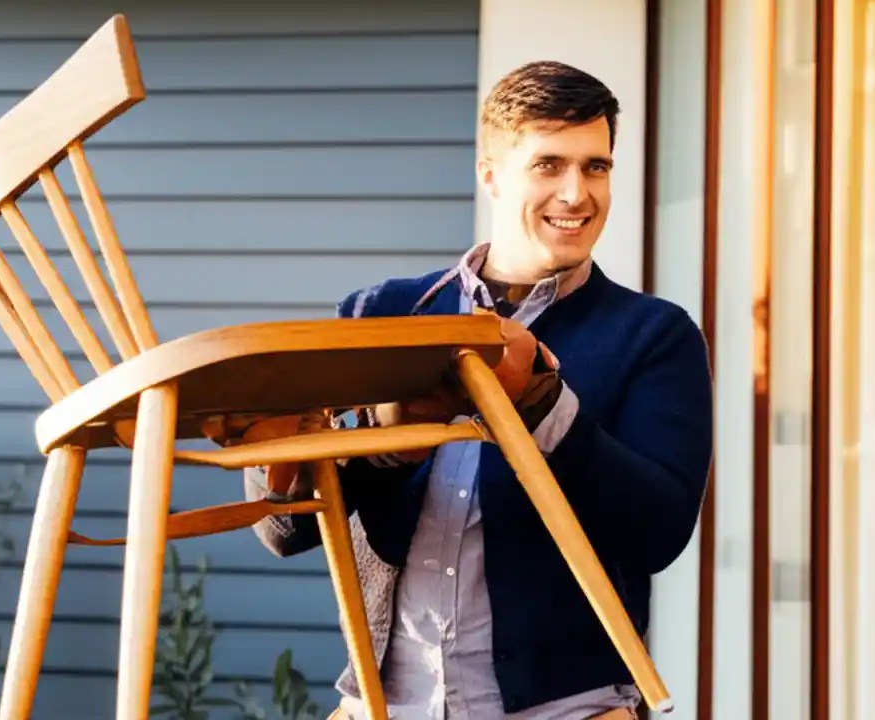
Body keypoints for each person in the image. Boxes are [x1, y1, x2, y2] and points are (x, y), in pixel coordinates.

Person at [219, 60, 713, 719]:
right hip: (381, 705)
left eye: (596, 166)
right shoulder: (380, 315)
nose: (577, 193)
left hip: (570, 709)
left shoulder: (653, 335)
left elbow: (659, 534)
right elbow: (283, 531)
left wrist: (542, 406)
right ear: (491, 174)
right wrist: (379, 440)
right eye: (549, 164)